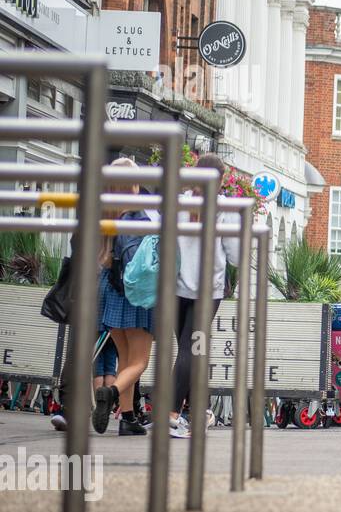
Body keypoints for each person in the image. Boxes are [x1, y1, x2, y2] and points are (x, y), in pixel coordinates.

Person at [168, 153, 241, 439]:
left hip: (175, 287)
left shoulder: (180, 202)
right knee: (192, 350)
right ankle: (171, 414)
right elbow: (234, 256)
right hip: (207, 291)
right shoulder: (224, 209)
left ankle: (201, 410)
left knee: (190, 350)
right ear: (221, 181)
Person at [92, 157, 157, 436]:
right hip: (136, 291)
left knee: (124, 357)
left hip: (109, 287)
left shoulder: (105, 212)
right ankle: (111, 393)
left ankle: (128, 418)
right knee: (140, 361)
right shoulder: (138, 214)